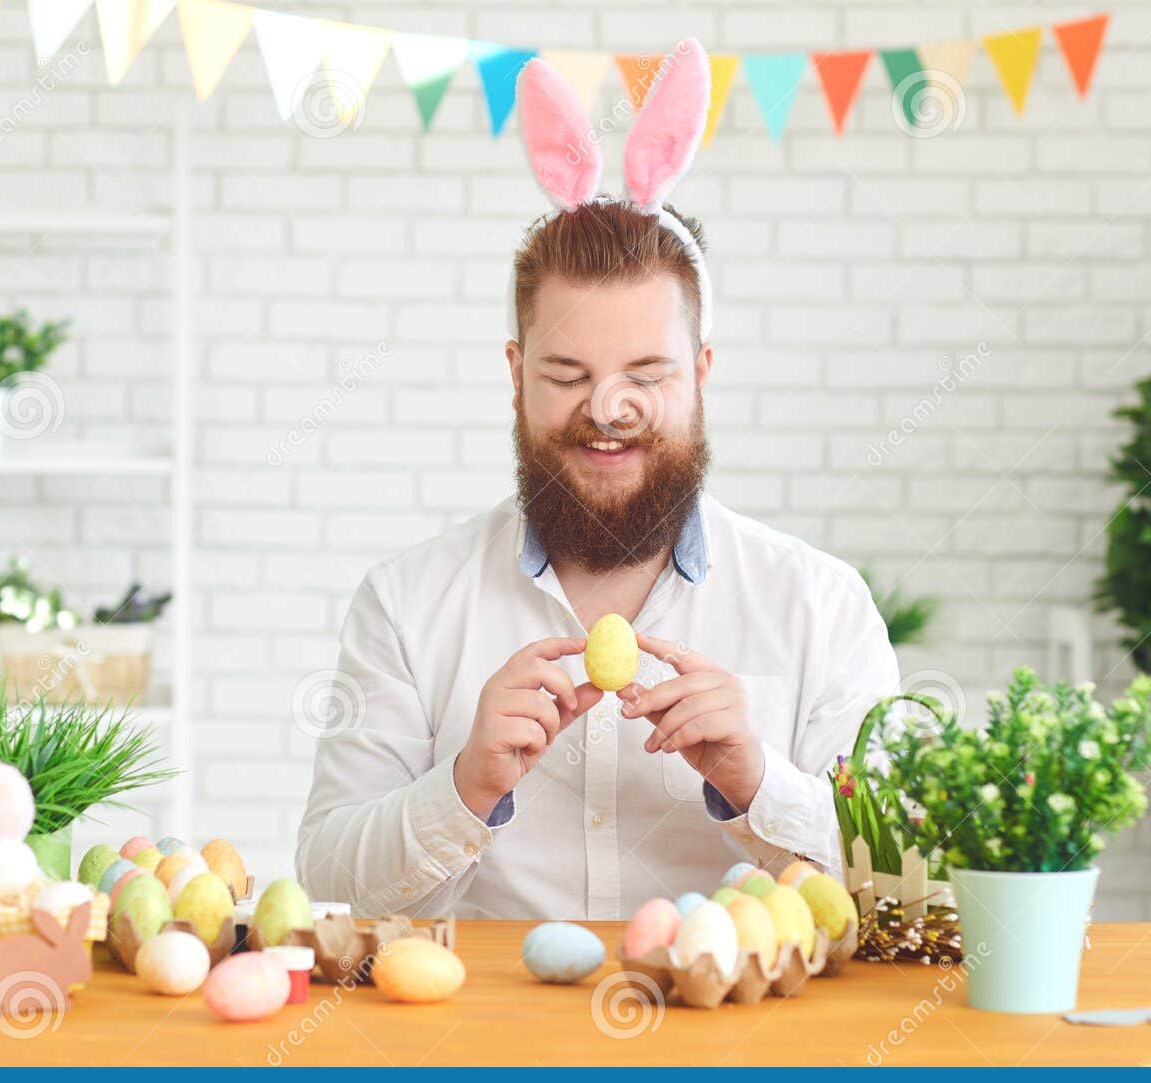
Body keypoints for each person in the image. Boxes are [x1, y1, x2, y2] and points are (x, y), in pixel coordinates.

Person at [296, 41, 897, 919]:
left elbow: (901, 881)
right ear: (515, 371)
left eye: (646, 376)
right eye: (568, 376)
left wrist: (756, 780)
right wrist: (462, 787)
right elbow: (327, 877)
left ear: (700, 371)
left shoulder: (820, 604)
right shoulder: (407, 601)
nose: (606, 409)